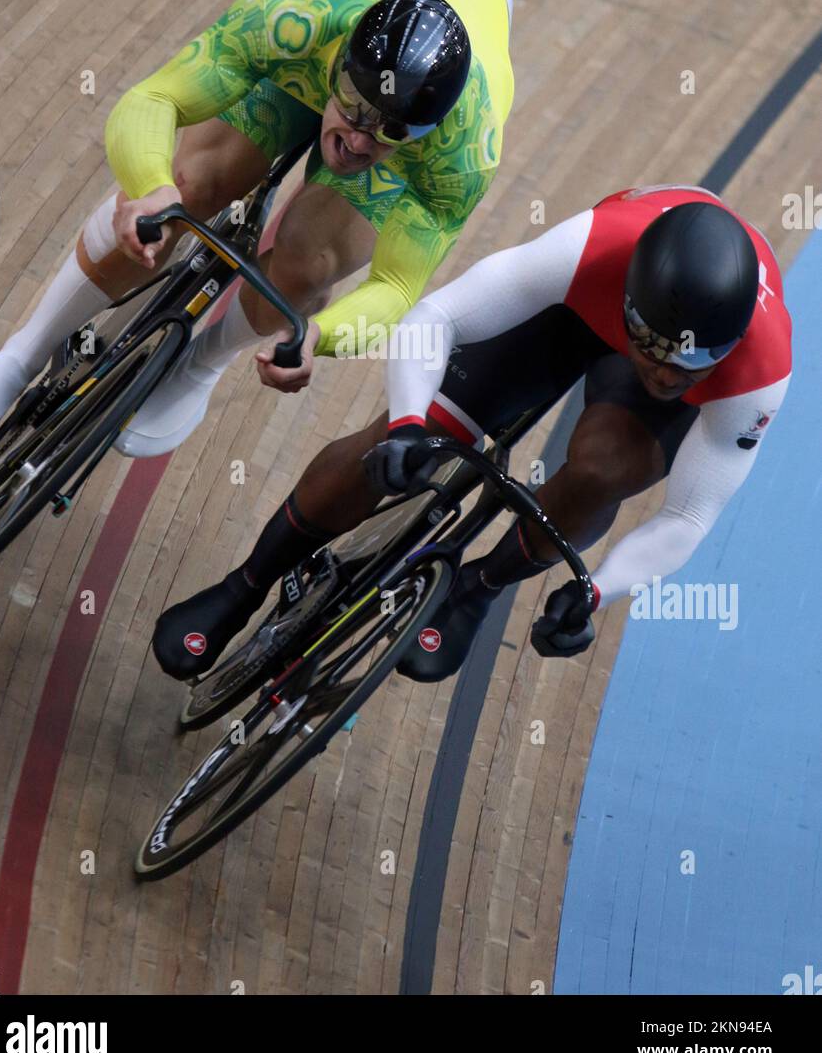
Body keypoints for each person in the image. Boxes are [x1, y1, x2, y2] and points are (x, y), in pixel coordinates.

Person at [150, 186, 791, 682]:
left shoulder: (759, 371)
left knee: (601, 471)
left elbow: (690, 514)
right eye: (649, 349)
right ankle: (246, 584)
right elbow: (439, 316)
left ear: (729, 349)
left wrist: (596, 593)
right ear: (629, 297)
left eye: (689, 365)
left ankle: (476, 589)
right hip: (575, 312)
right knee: (417, 429)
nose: (661, 370)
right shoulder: (593, 247)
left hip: (639, 335)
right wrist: (404, 425)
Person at [0, 0, 514, 457]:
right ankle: (15, 360)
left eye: (391, 131)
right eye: (353, 110)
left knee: (311, 261)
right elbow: (157, 99)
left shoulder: (464, 149)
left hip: (392, 102)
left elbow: (396, 286)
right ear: (340, 64)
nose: (360, 141)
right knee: (190, 184)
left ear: (429, 129)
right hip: (309, 49)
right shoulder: (297, 14)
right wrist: (150, 187)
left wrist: (317, 335)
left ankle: (199, 366)